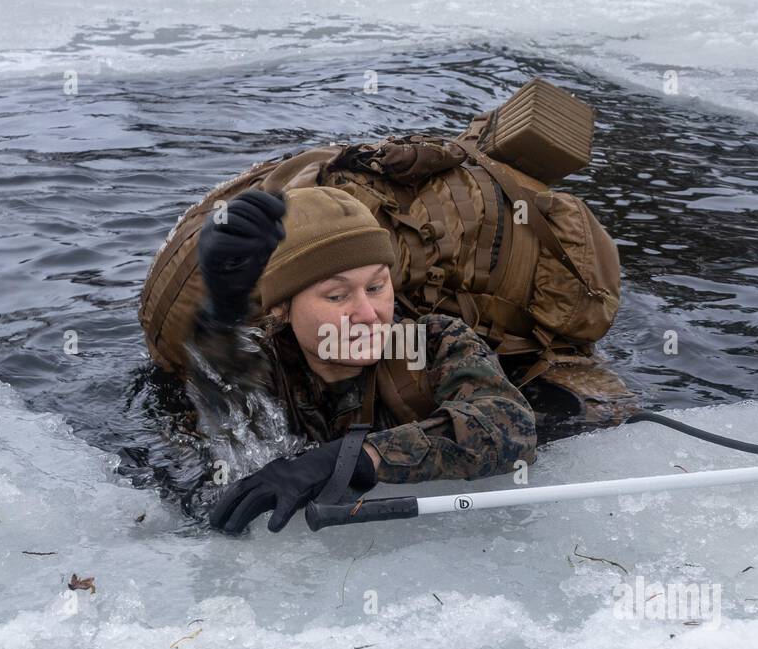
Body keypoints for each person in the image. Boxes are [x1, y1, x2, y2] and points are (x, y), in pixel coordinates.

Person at [186, 185, 539, 535]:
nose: (369, 314)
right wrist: (223, 307)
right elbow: (213, 406)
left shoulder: (432, 343)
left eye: (376, 287)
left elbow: (508, 428)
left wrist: (357, 458)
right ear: (281, 307)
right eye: (338, 295)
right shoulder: (263, 362)